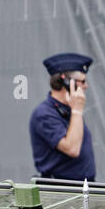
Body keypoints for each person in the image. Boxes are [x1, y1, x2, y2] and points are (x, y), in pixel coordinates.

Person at [29, 52, 96, 182]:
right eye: (82, 81)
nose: (86, 86)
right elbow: (72, 149)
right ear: (66, 81)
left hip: (82, 187)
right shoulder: (44, 114)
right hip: (61, 190)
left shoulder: (70, 109)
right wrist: (77, 110)